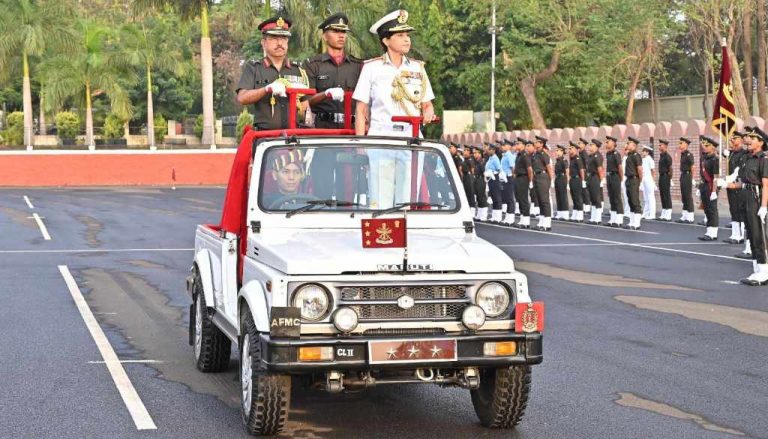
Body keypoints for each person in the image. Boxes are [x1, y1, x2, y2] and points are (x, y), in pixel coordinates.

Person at [353, 9, 435, 136]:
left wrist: (428, 111)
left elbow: (427, 104)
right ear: (386, 41)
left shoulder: (418, 68)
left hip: (411, 136)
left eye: (407, 35)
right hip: (381, 138)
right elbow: (360, 110)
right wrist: (360, 144)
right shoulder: (371, 68)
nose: (407, 39)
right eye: (400, 35)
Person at [236, 16, 309, 130]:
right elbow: (242, 98)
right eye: (274, 38)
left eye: (284, 38)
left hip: (293, 136)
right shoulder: (254, 68)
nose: (280, 43)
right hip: (265, 137)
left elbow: (305, 107)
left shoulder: (298, 69)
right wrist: (266, 89)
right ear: (264, 43)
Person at [719, 127, 768, 285]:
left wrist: (764, 206)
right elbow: (742, 182)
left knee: (759, 237)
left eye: (753, 139)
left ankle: (764, 272)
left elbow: (766, 185)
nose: (749, 141)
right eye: (748, 138)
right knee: (751, 235)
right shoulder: (748, 158)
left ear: (761, 142)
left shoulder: (763, 159)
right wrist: (727, 185)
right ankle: (757, 269)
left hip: (757, 199)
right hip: (746, 197)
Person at [303, 13, 362, 129]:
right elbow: (306, 100)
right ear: (325, 36)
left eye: (343, 32)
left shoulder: (357, 65)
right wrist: (326, 94)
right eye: (335, 31)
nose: (341, 36)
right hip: (322, 128)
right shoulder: (313, 65)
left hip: (350, 128)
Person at [723, 131, 747, 243]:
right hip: (730, 184)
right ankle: (734, 234)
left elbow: (740, 171)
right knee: (733, 209)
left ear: (741, 140)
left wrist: (731, 179)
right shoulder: (731, 153)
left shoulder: (744, 154)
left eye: (735, 138)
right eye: (732, 139)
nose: (732, 140)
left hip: (738, 184)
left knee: (739, 210)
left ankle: (740, 236)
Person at [698, 136, 720, 240]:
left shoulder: (715, 159)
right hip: (704, 185)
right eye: (704, 145)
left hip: (711, 186)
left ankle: (713, 232)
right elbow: (702, 174)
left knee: (712, 210)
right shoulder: (704, 157)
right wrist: (699, 187)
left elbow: (715, 177)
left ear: (713, 147)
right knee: (706, 209)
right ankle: (708, 231)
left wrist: (714, 191)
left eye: (707, 145)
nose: (704, 147)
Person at [532, 136, 554, 230]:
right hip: (537, 176)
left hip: (543, 177)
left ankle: (547, 223)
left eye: (538, 142)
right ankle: (541, 222)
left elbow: (549, 167)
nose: (535, 143)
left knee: (545, 200)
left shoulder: (544, 154)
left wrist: (551, 179)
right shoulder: (536, 154)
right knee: (540, 200)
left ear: (542, 144)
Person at [623, 137, 644, 230]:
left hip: (634, 179)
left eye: (629, 143)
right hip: (628, 179)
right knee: (630, 201)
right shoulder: (629, 155)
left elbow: (640, 169)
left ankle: (637, 223)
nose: (627, 145)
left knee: (635, 201)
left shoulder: (636, 155)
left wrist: (641, 181)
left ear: (634, 145)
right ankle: (631, 222)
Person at [513, 141, 534, 228]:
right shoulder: (518, 155)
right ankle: (522, 219)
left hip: (523, 178)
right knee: (519, 199)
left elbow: (529, 169)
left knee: (523, 199)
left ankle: (526, 221)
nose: (516, 145)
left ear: (523, 145)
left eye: (518, 144)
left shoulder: (525, 155)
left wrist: (530, 181)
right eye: (516, 144)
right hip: (518, 178)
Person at [604, 136, 624, 227]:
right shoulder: (608, 154)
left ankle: (619, 219)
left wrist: (622, 179)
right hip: (609, 177)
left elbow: (620, 167)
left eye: (608, 142)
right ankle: (613, 218)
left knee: (617, 198)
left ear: (613, 143)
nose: (606, 143)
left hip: (615, 176)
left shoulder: (616, 154)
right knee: (611, 198)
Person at [676, 137, 695, 223]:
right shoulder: (682, 154)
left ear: (686, 145)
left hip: (687, 175)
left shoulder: (688, 155)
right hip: (683, 175)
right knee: (683, 196)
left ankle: (690, 217)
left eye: (681, 143)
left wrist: (692, 178)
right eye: (679, 143)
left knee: (688, 196)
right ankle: (684, 215)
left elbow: (693, 166)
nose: (680, 145)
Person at [586, 139, 605, 224]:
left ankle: (597, 218)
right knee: (592, 198)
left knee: (597, 198)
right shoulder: (591, 156)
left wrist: (601, 180)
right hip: (590, 178)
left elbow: (600, 169)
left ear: (596, 146)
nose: (590, 146)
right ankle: (593, 218)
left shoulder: (598, 156)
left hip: (595, 178)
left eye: (592, 145)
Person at [485, 143, 504, 222]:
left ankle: (498, 217)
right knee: (493, 197)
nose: (487, 151)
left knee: (497, 198)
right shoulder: (490, 158)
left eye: (489, 149)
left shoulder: (495, 158)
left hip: (494, 178)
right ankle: (494, 216)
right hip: (490, 179)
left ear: (493, 150)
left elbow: (499, 169)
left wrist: (493, 173)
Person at [500, 139, 517, 225]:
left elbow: (513, 167)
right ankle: (507, 217)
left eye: (504, 145)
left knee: (510, 198)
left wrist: (511, 176)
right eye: (502, 145)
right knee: (506, 198)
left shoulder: (509, 155)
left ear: (509, 146)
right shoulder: (504, 155)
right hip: (504, 178)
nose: (502, 147)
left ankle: (511, 218)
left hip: (509, 178)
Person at [568, 141, 585, 222]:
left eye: (571, 148)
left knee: (578, 197)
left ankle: (580, 215)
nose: (569, 150)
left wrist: (583, 180)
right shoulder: (572, 158)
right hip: (572, 179)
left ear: (575, 149)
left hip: (577, 179)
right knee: (574, 197)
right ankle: (575, 214)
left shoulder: (578, 158)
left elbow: (581, 170)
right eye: (569, 148)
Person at [656, 139, 673, 221]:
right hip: (661, 176)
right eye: (659, 145)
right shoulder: (661, 156)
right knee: (662, 194)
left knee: (666, 195)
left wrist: (670, 179)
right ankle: (664, 213)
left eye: (661, 145)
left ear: (665, 146)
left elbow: (670, 168)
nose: (659, 146)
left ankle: (668, 214)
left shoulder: (667, 156)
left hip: (666, 176)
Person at [472, 146, 490, 221]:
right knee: (479, 198)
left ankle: (484, 215)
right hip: (476, 180)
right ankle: (479, 215)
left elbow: (485, 173)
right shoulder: (476, 162)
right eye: (474, 153)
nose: (474, 154)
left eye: (476, 153)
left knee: (482, 197)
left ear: (480, 154)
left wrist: (485, 183)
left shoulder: (481, 162)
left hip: (480, 180)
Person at [640, 144, 657, 220]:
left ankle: (652, 214)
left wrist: (653, 181)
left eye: (643, 151)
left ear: (647, 152)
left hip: (649, 180)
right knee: (646, 198)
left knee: (651, 197)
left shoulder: (650, 159)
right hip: (644, 180)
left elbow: (653, 171)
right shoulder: (643, 159)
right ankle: (645, 213)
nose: (642, 152)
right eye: (642, 150)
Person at [554, 144, 570, 220]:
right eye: (556, 150)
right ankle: (559, 213)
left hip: (563, 179)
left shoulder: (564, 161)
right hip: (557, 178)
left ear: (562, 152)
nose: (556, 152)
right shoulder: (557, 160)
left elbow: (567, 171)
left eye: (558, 150)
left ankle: (565, 214)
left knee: (563, 196)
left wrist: (567, 182)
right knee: (558, 196)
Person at [578, 138, 592, 216]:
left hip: (585, 174)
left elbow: (587, 165)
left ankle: (587, 207)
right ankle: (584, 206)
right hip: (580, 174)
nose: (579, 145)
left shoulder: (584, 154)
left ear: (584, 145)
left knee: (585, 191)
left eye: (580, 144)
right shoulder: (580, 153)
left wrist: (586, 176)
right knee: (582, 192)